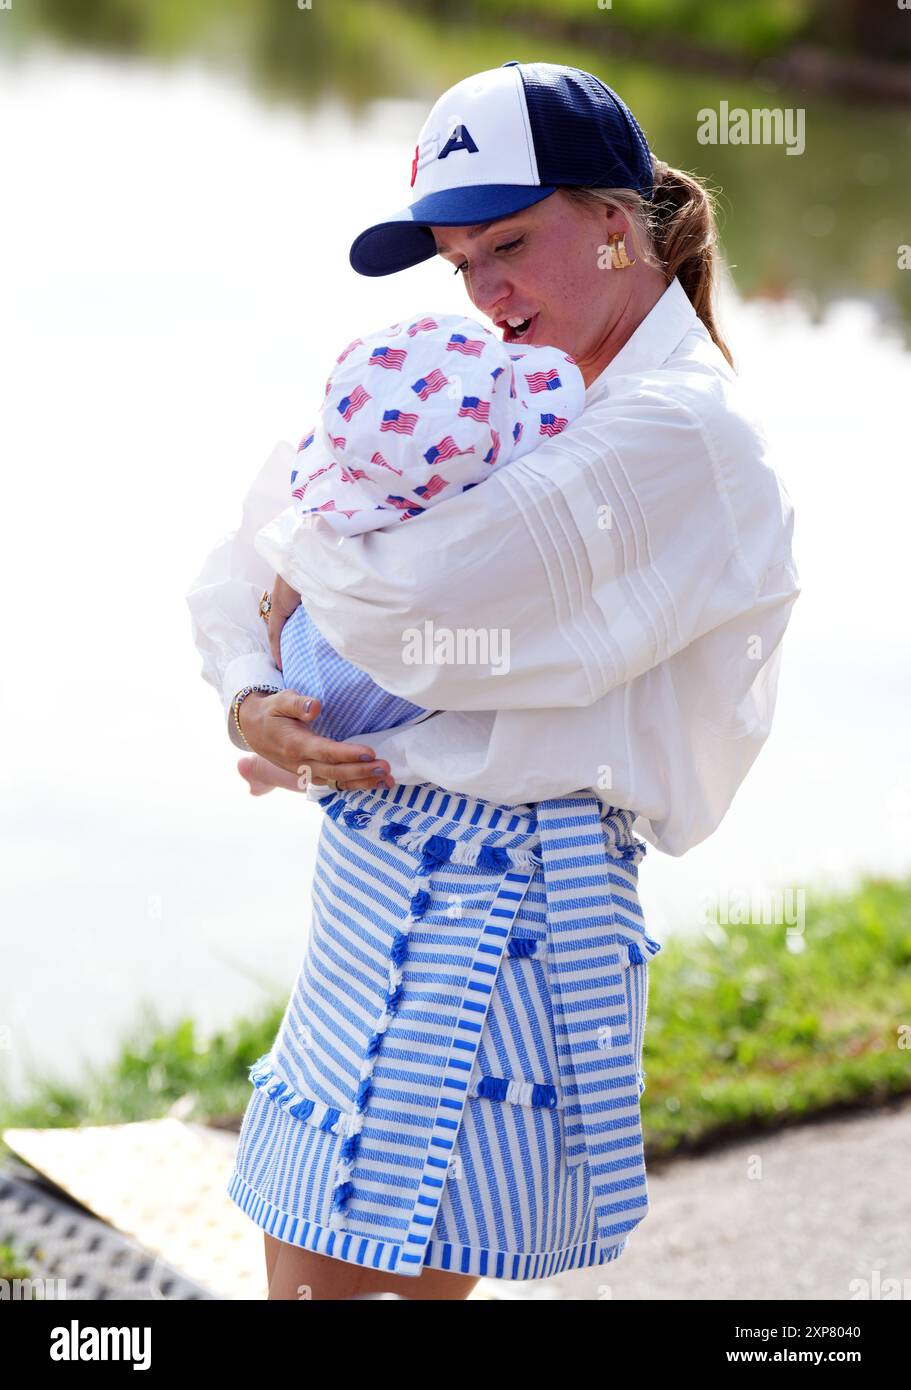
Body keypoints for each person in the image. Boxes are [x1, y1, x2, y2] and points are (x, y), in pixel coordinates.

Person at [185, 59, 801, 1301]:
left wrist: (304, 552)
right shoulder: (500, 383)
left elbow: (409, 608)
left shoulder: (680, 429)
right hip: (376, 870)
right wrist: (252, 687)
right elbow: (242, 549)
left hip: (499, 891)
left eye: (509, 245)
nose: (485, 293)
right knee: (306, 1284)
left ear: (617, 228)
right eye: (461, 263)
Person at [243, 309, 586, 787]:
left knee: (333, 695)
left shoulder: (345, 512)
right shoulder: (493, 510)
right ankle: (286, 765)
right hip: (355, 682)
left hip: (310, 650)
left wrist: (298, 559)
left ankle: (282, 767)